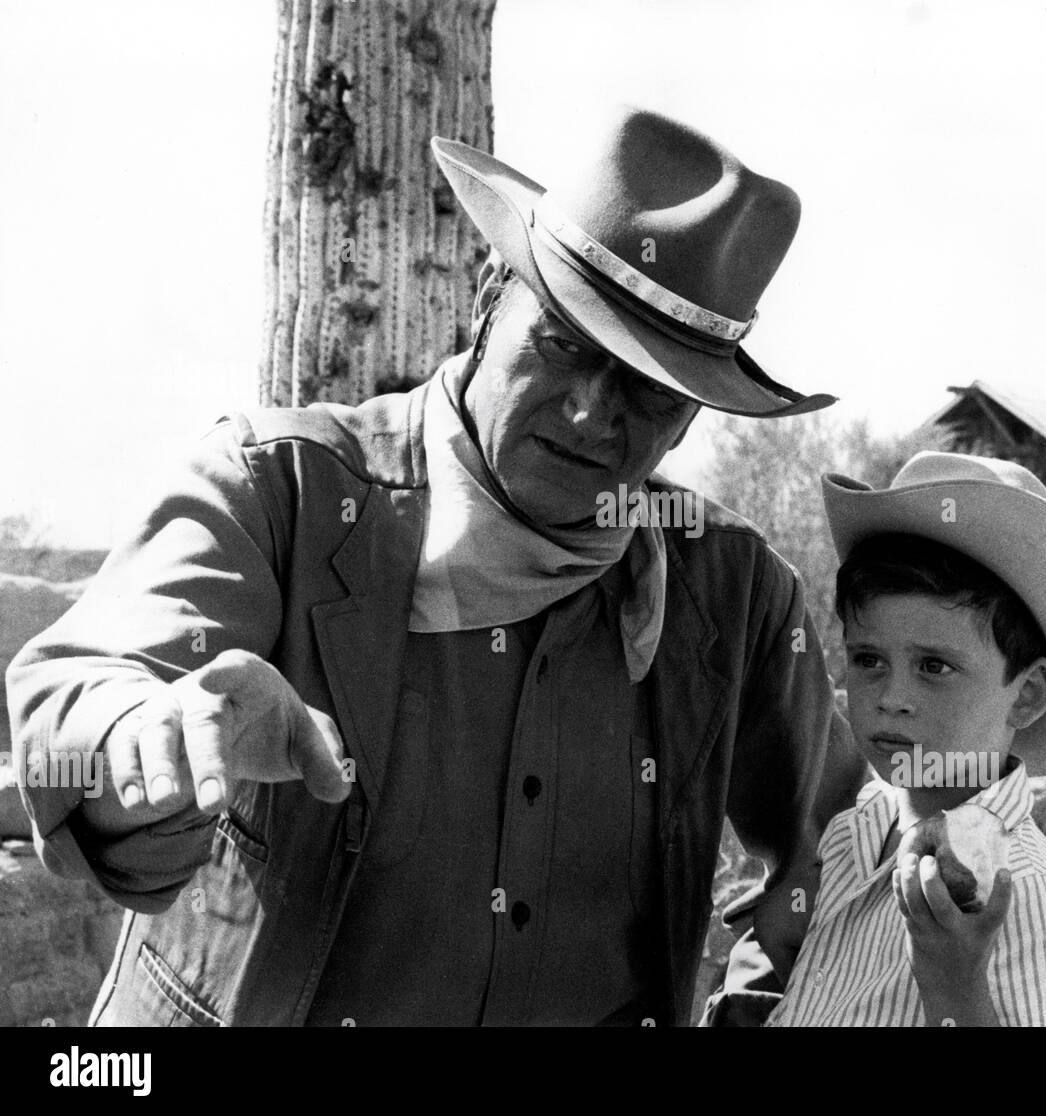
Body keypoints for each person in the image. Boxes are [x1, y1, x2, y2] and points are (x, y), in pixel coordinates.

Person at [5, 106, 867, 1026]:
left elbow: (839, 860)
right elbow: (89, 690)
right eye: (564, 346)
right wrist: (153, 739)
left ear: (692, 417)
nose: (588, 414)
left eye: (648, 394)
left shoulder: (734, 599)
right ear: (489, 295)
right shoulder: (277, 490)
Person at [750, 452, 1046, 1026]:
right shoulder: (850, 834)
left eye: (934, 666)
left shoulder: (1013, 889)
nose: (890, 696)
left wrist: (955, 986)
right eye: (868, 659)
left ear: (1026, 695)